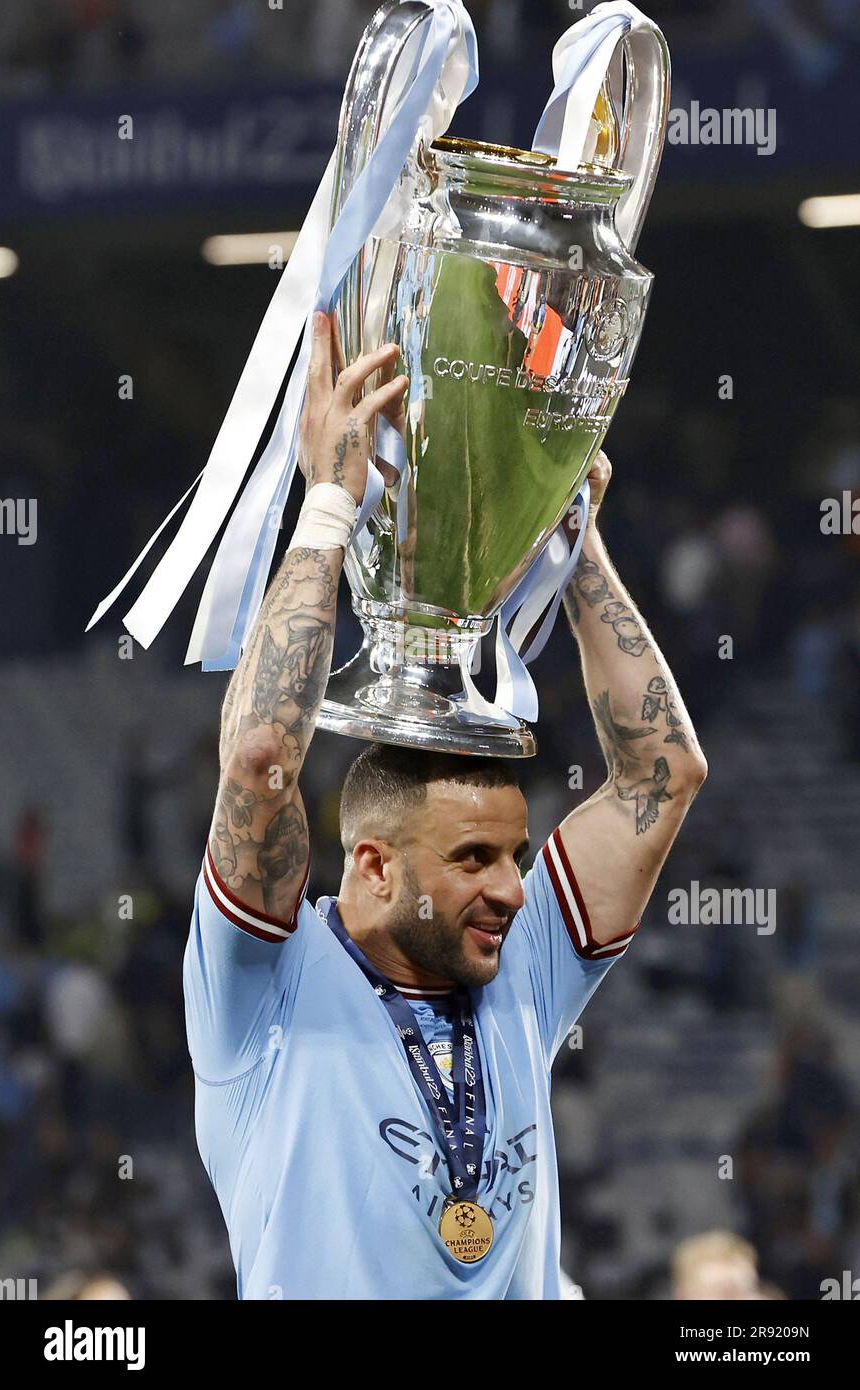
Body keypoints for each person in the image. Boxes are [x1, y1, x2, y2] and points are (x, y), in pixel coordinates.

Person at [183, 311, 708, 1299]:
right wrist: (332, 504)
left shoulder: (519, 967)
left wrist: (575, 546)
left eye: (511, 854)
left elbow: (660, 775)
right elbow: (259, 758)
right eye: (472, 857)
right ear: (373, 866)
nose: (513, 887)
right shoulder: (260, 988)